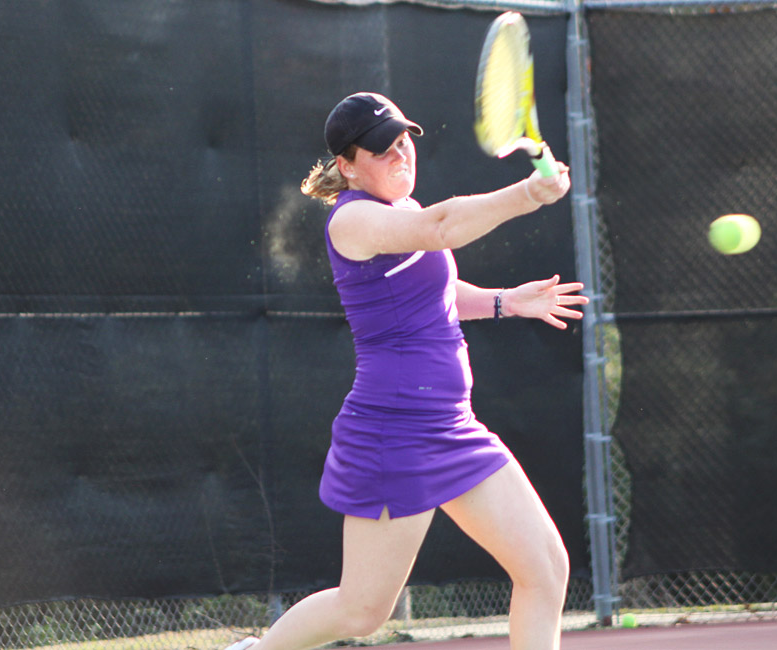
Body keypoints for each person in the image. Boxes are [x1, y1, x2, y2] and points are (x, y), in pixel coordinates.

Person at [226, 92, 587, 650]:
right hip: (394, 429)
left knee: (544, 567)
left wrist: (504, 301)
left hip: (451, 424)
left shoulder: (404, 212)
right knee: (362, 611)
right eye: (380, 150)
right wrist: (528, 195)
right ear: (346, 166)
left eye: (402, 143)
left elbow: (435, 291)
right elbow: (444, 227)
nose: (400, 156)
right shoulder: (354, 221)